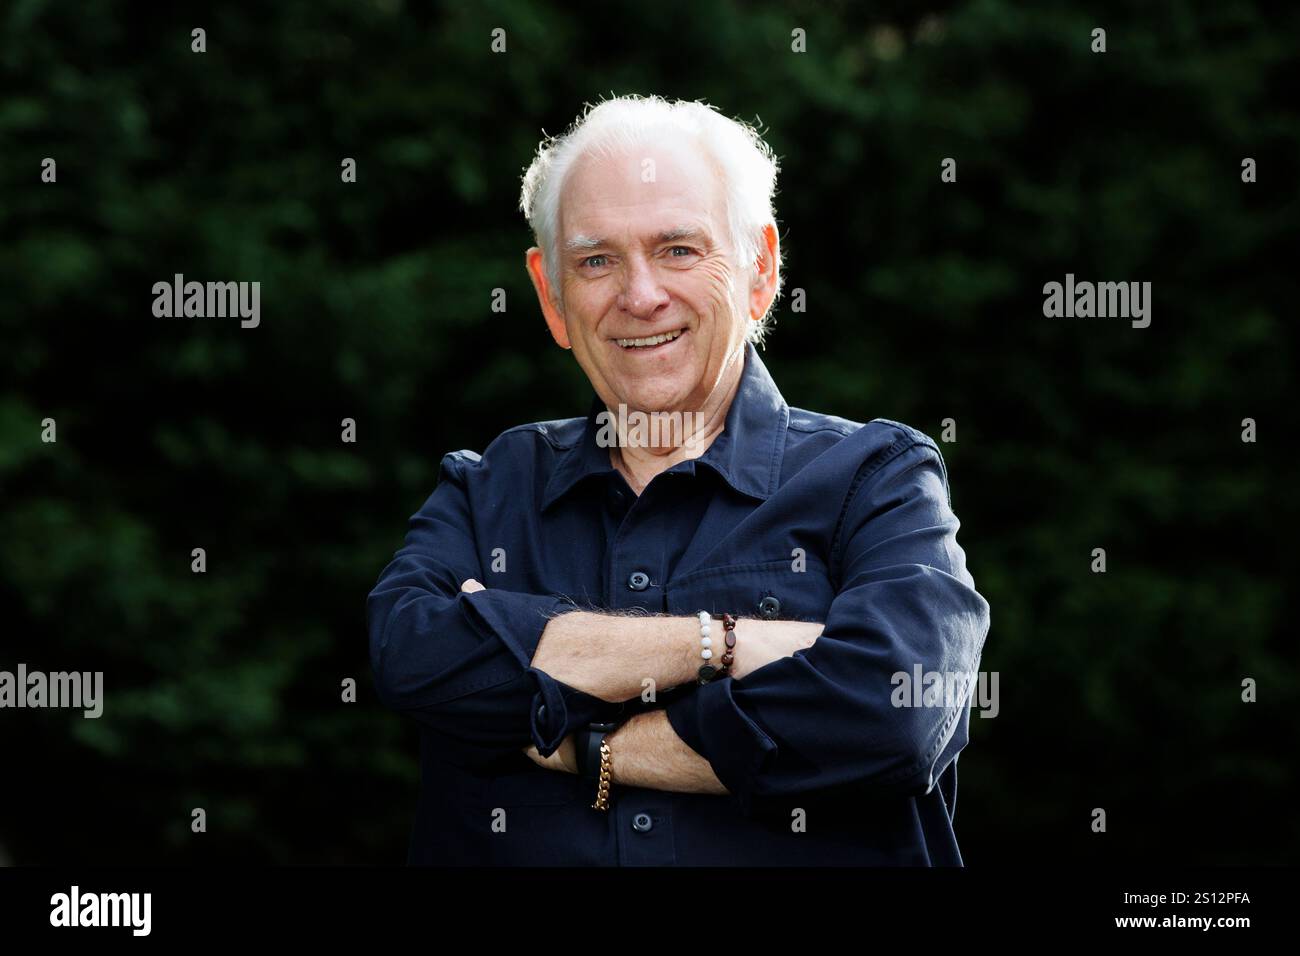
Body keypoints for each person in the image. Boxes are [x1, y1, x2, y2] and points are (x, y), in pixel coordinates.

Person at [368, 94, 990, 865]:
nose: (639, 296)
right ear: (551, 295)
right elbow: (413, 658)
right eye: (597, 260)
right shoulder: (484, 492)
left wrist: (587, 745)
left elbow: (895, 712)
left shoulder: (876, 481)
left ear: (761, 270)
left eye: (679, 250)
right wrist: (724, 645)